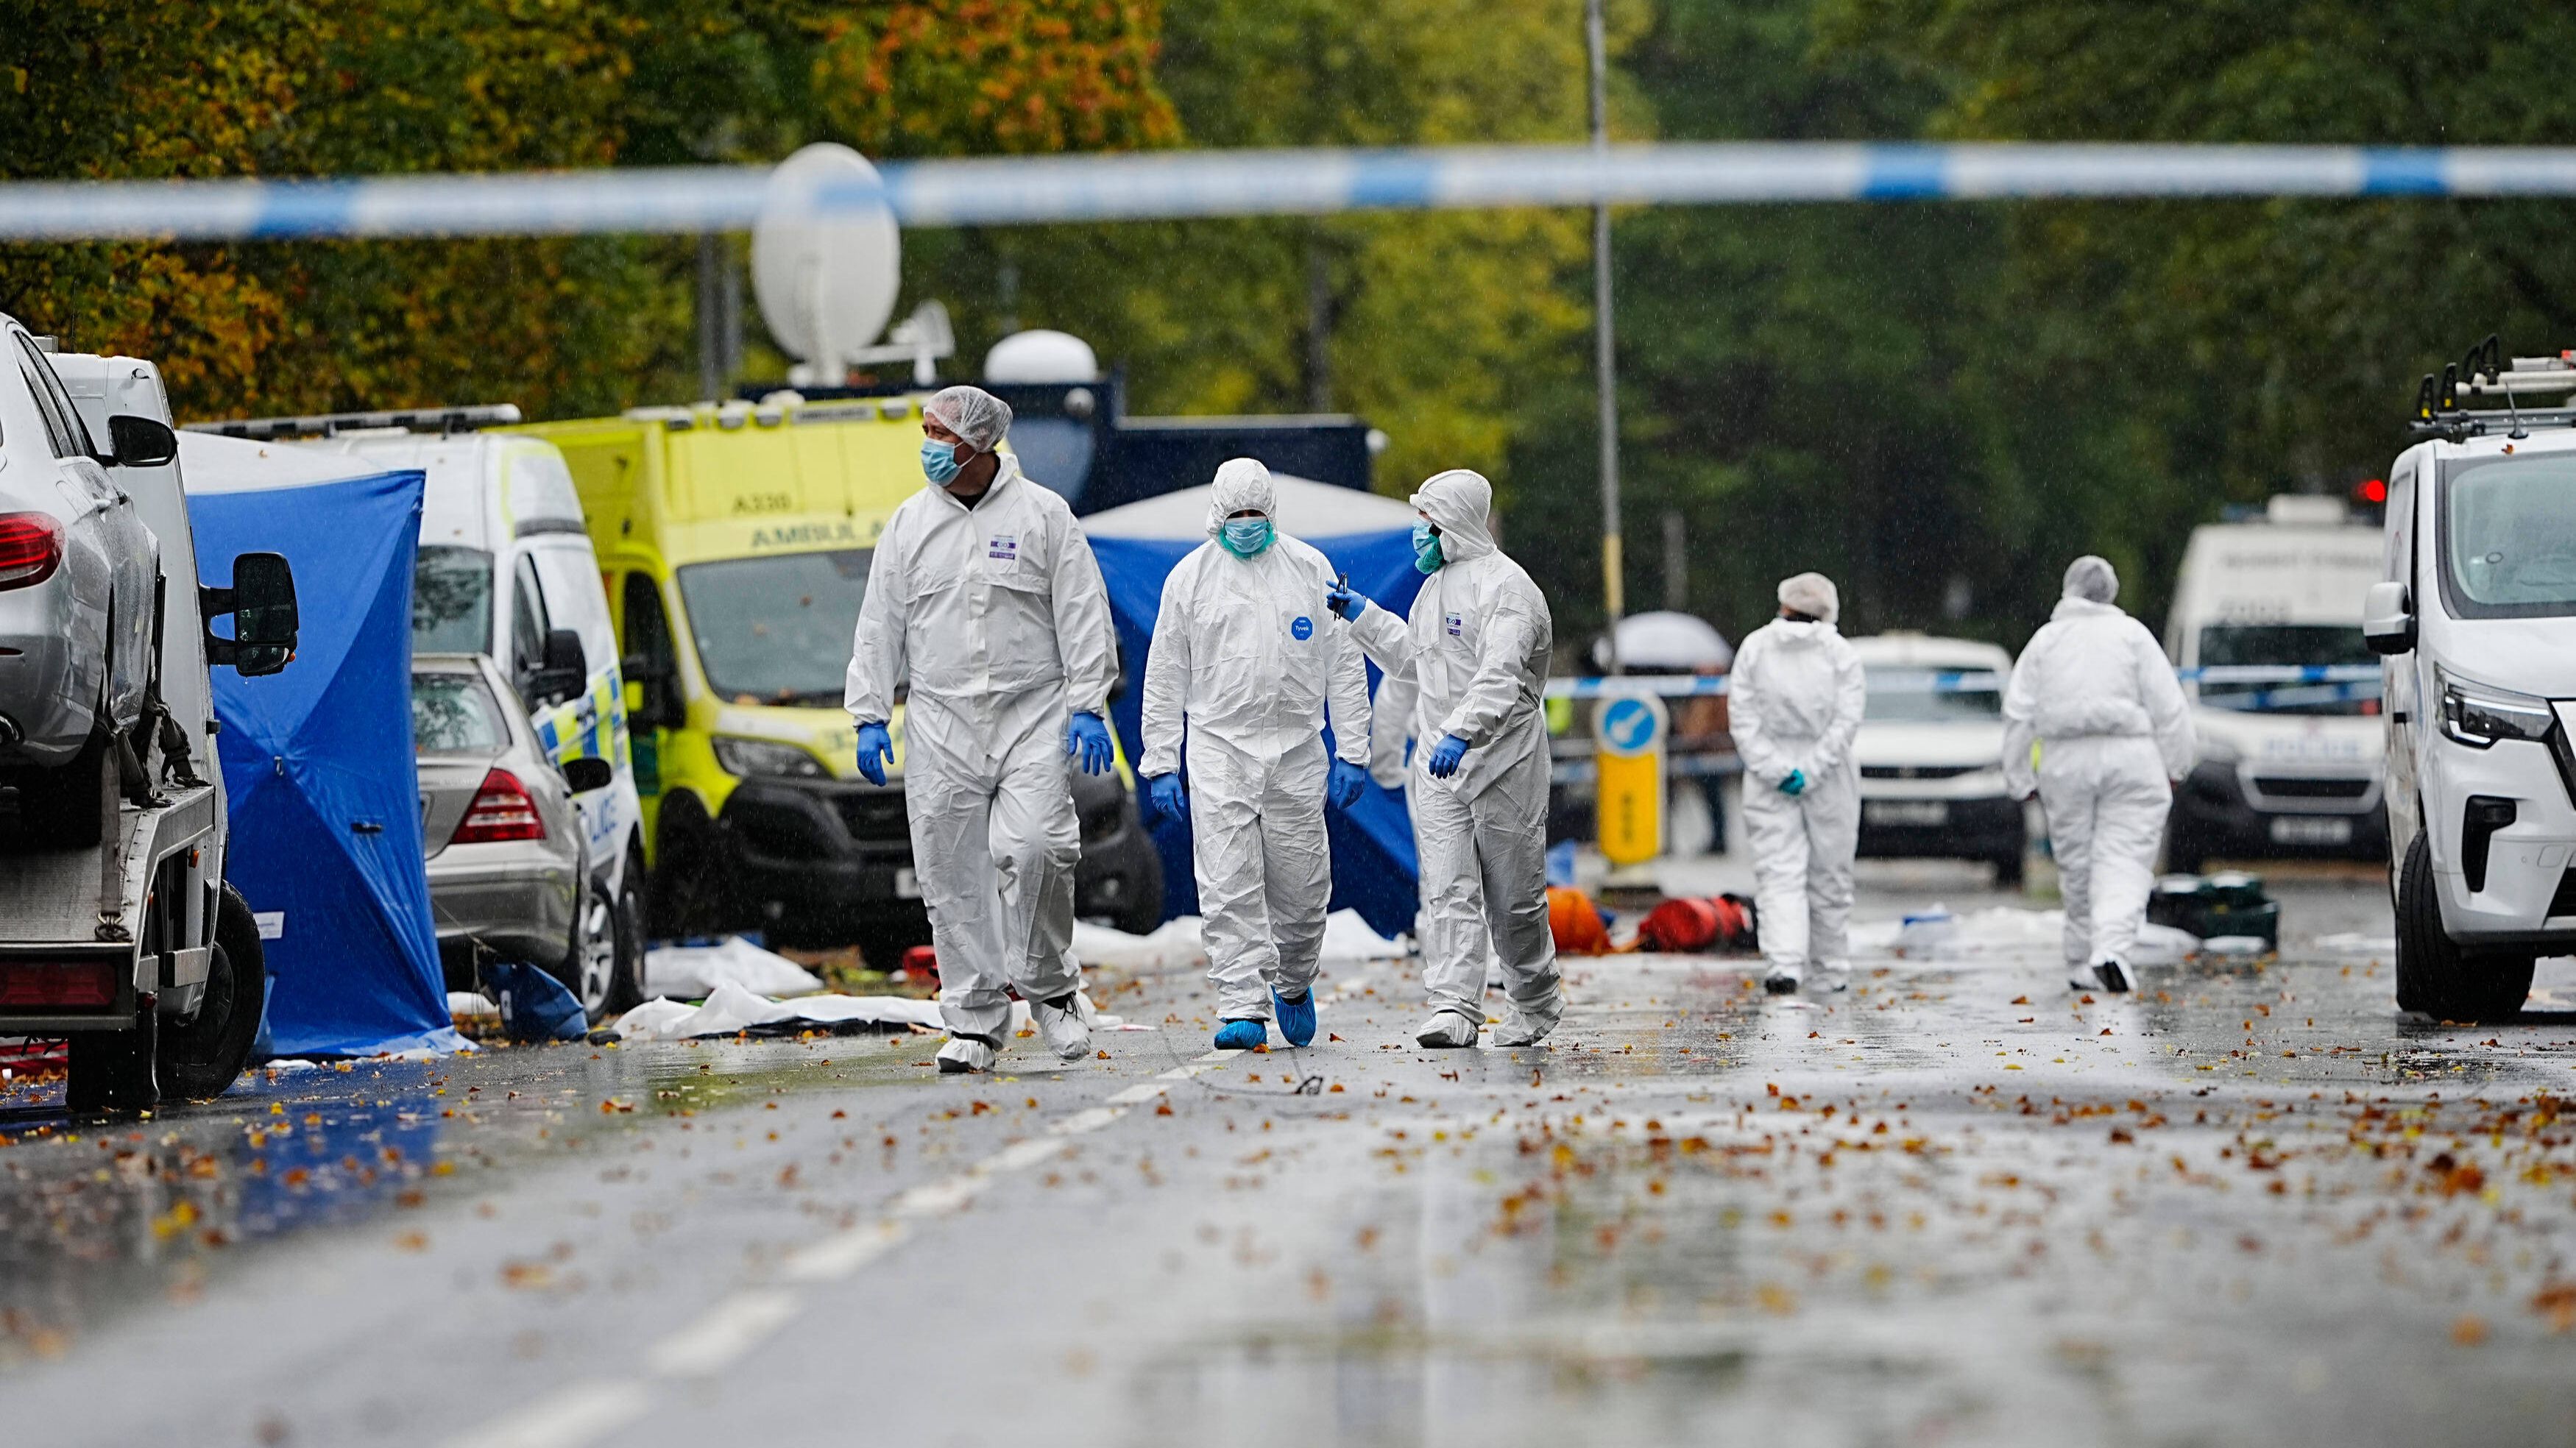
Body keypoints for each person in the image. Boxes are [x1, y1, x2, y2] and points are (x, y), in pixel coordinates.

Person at [844, 384, 1119, 1073]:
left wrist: (1089, 703)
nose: (929, 445)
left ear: (977, 442)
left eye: (939, 433)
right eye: (926, 431)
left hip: (1032, 714)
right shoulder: (909, 525)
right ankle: (973, 1022)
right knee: (951, 871)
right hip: (941, 721)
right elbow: (880, 623)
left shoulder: (1043, 516)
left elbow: (1082, 611)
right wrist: (870, 714)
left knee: (1039, 849)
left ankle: (1053, 990)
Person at [1139, 458, 1373, 1051]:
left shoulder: (1310, 569)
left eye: (1256, 513)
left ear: (1272, 512)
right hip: (1219, 746)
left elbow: (1344, 663)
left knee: (1303, 888)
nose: (1247, 524)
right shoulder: (1190, 580)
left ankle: (1293, 981)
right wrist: (1162, 760)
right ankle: (1242, 1001)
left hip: (1297, 748)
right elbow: (1165, 674)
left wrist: (1353, 749)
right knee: (1228, 881)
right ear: (1218, 514)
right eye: (1237, 514)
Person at [1325, 469, 1564, 1048]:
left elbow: (1501, 675)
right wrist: (1364, 616)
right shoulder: (1434, 588)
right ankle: (1454, 1006)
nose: (1418, 533)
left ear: (1453, 524)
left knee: (1514, 898)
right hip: (1439, 763)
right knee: (1447, 888)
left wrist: (1463, 731)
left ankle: (1533, 1002)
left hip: (1504, 763)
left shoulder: (1508, 589)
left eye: (1426, 522)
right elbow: (1415, 662)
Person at [2000, 556, 2193, 993]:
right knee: (2125, 859)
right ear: (2111, 592)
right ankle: (2111, 950)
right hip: (2132, 757)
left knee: (2077, 864)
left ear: (2068, 590)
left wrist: (2019, 778)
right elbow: (2170, 706)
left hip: (2064, 761)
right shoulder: (2133, 636)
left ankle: (2079, 961)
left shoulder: (2046, 642)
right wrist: (2177, 765)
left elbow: (2018, 713)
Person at [1727, 572, 1866, 994]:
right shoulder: (1841, 654)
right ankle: (1831, 969)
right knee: (1831, 876)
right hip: (1831, 775)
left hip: (1768, 776)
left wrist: (1776, 769)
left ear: (1785, 605)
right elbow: (1847, 720)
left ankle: (1784, 965)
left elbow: (1743, 719)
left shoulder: (1755, 648)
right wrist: (1813, 769)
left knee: (1778, 873)